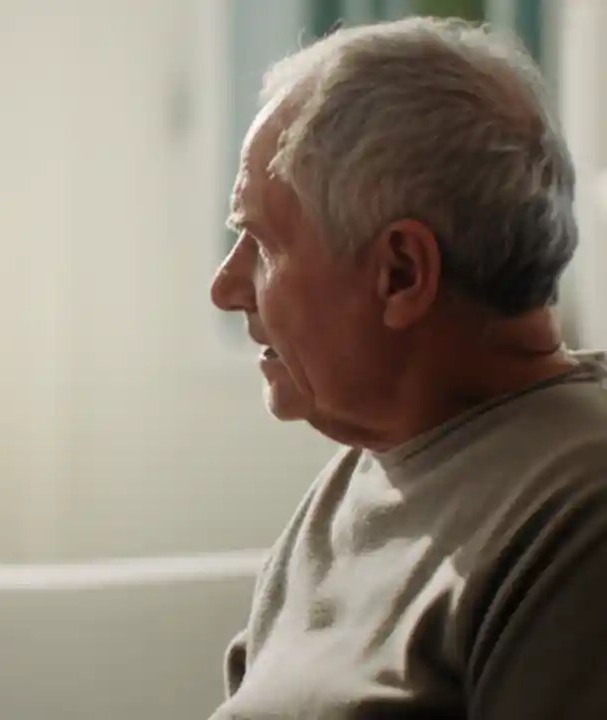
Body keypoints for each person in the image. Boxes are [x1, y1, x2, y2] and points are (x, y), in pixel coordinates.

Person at [209, 16, 607, 720]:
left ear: (401, 273)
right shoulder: (372, 463)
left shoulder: (580, 512)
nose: (226, 288)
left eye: (262, 244)